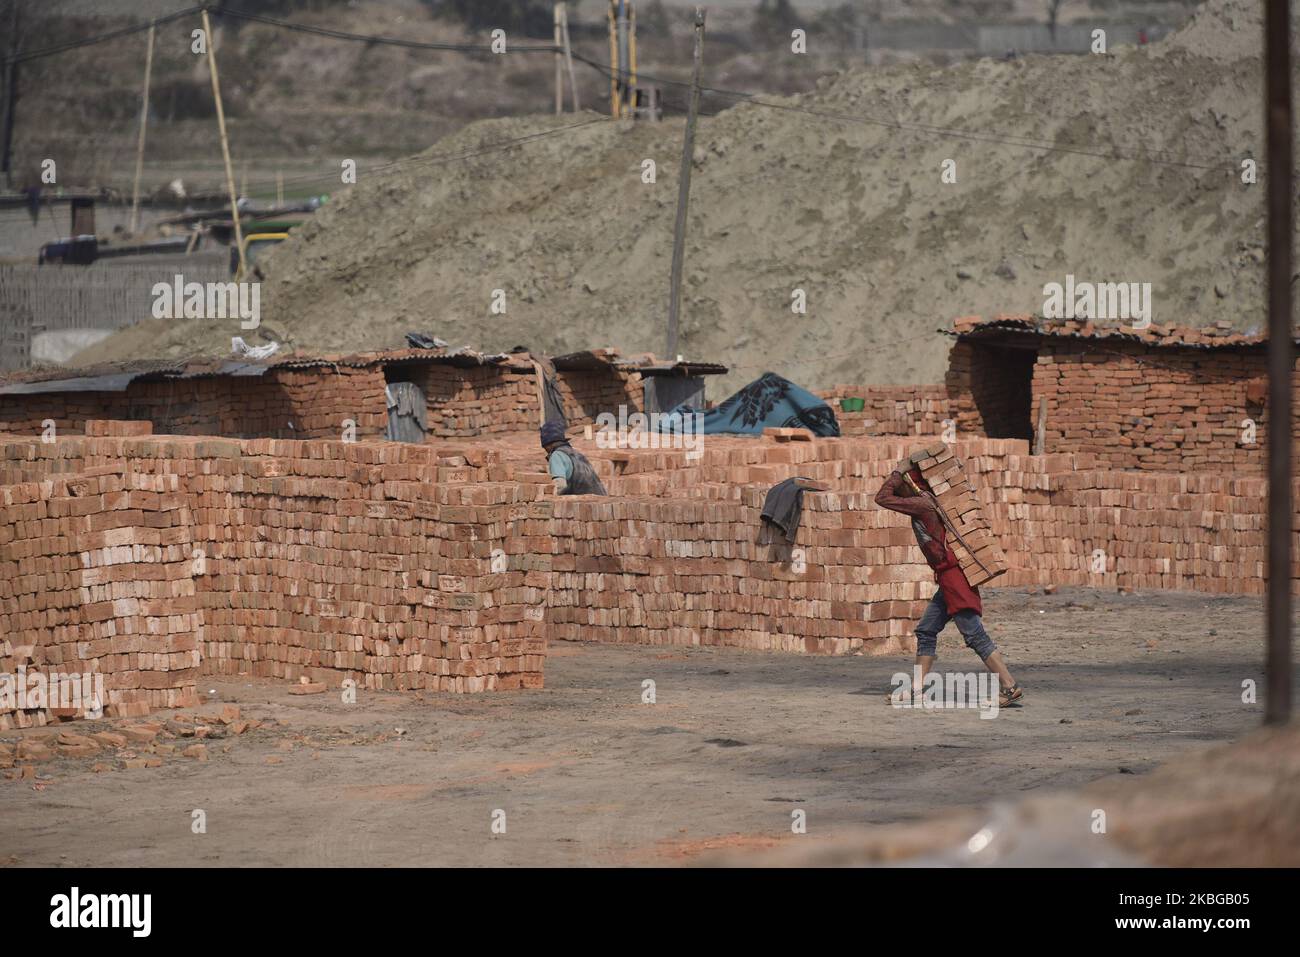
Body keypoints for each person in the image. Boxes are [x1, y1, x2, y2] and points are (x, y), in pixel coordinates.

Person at [874, 462, 1023, 707]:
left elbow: (882, 498)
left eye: (901, 488)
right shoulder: (927, 501)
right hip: (947, 577)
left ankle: (1010, 686)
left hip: (954, 578)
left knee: (974, 634)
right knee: (926, 630)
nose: (899, 494)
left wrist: (896, 474)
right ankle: (916, 690)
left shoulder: (922, 503)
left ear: (910, 484)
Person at [540, 420, 607, 496]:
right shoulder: (576, 454)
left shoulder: (556, 456)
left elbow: (560, 486)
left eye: (544, 447)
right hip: (601, 499)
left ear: (547, 445)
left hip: (583, 504)